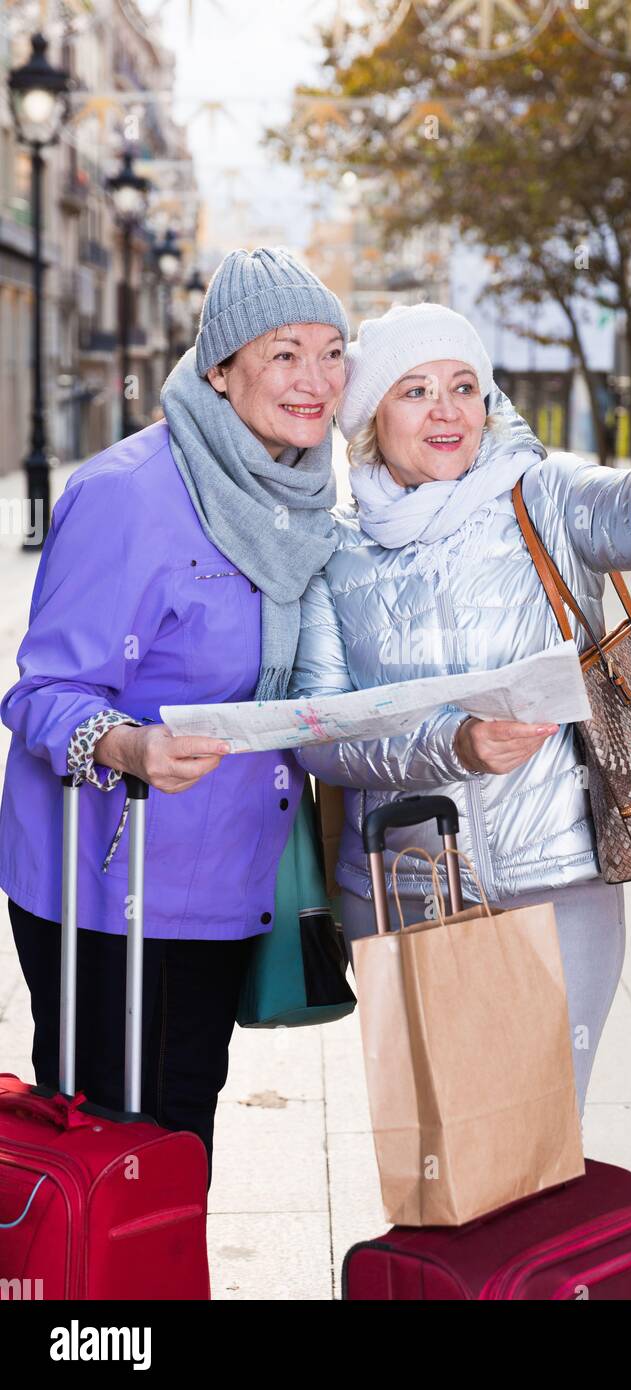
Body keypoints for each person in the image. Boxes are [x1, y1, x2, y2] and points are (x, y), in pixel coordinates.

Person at [288, 301, 631, 1118]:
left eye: (465, 386)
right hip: (407, 891)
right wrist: (454, 745)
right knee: (441, 1142)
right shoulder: (335, 553)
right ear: (368, 419)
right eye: (417, 390)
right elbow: (322, 734)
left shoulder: (540, 492)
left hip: (558, 879)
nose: (447, 409)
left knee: (540, 1132)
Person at [0, 247, 348, 1187]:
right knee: (109, 1154)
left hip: (227, 880)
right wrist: (126, 744)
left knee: (179, 1138)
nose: (314, 380)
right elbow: (40, 695)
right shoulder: (128, 493)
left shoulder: (304, 500)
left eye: (331, 352)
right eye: (283, 354)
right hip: (113, 888)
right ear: (218, 369)